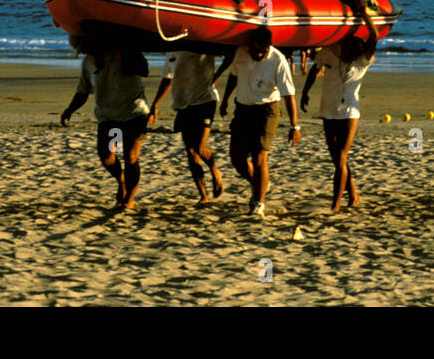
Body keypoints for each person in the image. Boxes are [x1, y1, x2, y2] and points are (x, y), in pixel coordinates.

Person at [300, 0, 378, 211]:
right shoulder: (329, 52)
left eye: (351, 54)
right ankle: (354, 195)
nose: (347, 57)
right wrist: (305, 92)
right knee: (338, 161)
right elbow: (315, 69)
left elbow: (374, 37)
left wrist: (363, 14)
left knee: (342, 157)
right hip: (328, 110)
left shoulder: (362, 62)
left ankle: (335, 205)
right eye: (346, 52)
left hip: (350, 113)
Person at [60, 35, 152, 210]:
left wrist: (124, 54)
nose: (86, 49)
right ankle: (121, 180)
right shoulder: (88, 62)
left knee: (131, 157)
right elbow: (83, 90)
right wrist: (70, 109)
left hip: (134, 113)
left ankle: (129, 201)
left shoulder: (125, 51)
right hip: (109, 118)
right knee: (107, 156)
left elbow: (144, 71)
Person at [220, 26, 300, 217]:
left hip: (267, 110)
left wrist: (294, 126)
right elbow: (233, 76)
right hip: (242, 109)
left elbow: (289, 94)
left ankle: (258, 202)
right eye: (255, 50)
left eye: (262, 51)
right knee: (237, 158)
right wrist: (225, 100)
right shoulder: (241, 52)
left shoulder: (277, 59)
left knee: (259, 158)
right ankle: (261, 183)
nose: (258, 54)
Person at [147, 48, 234, 203]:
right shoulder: (171, 53)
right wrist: (155, 104)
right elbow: (167, 80)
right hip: (183, 104)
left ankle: (215, 171)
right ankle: (203, 196)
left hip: (206, 100)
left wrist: (217, 76)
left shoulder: (200, 45)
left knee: (200, 146)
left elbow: (229, 54)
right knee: (191, 151)